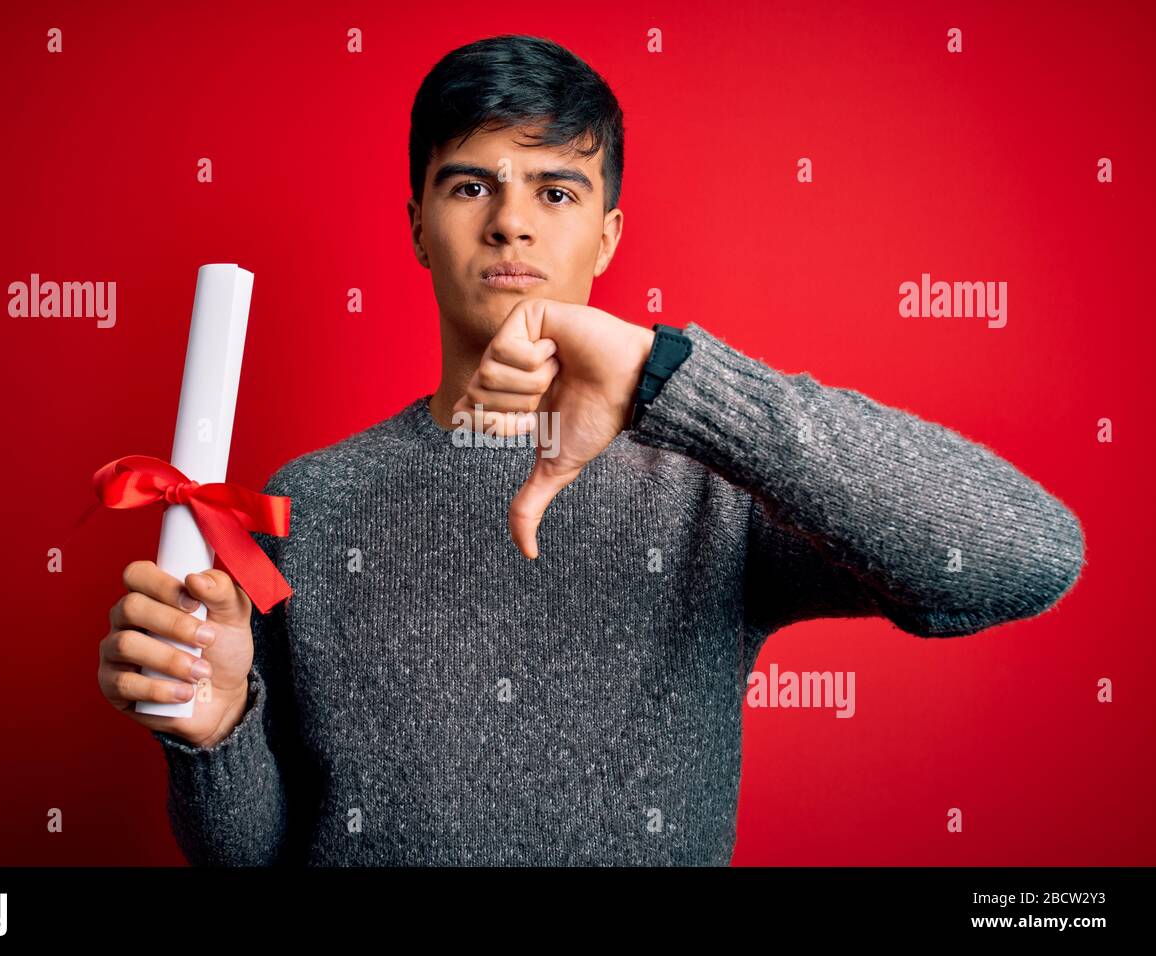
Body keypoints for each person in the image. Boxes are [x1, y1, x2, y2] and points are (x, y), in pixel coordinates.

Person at [96, 34, 1085, 866]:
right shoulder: (304, 502)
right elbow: (252, 852)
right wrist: (214, 729)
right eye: (471, 183)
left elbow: (1027, 555)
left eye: (556, 191)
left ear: (607, 236)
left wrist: (672, 377)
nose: (511, 220)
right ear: (416, 227)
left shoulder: (707, 489)